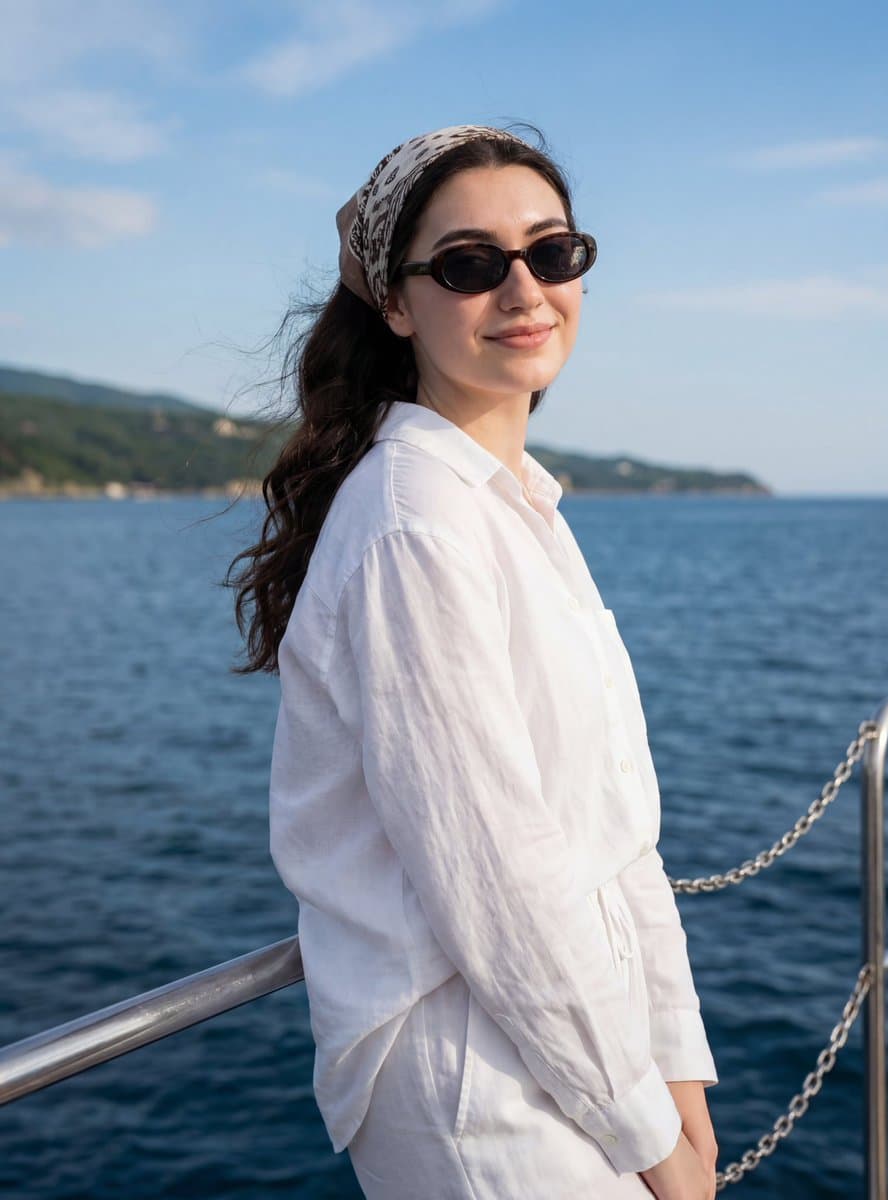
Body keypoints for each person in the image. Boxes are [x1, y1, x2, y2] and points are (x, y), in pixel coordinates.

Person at [228, 123, 720, 1199]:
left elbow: (613, 825)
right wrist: (649, 1136)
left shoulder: (514, 506)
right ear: (396, 304)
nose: (524, 289)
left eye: (551, 251)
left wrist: (677, 1062)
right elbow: (492, 878)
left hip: (568, 1045)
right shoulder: (415, 524)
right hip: (473, 1083)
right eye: (468, 264)